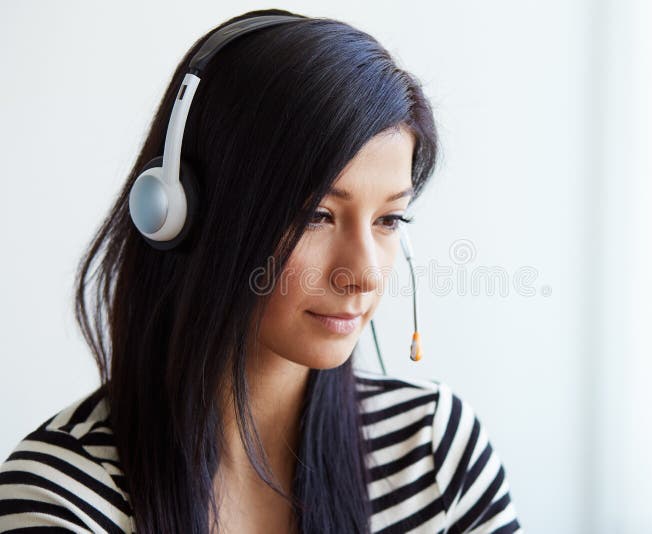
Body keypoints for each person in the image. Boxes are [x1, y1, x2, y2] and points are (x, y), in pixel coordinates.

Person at [0, 8, 522, 533]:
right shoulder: (59, 498)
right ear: (183, 215)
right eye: (317, 215)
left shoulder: (434, 451)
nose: (363, 274)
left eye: (389, 219)